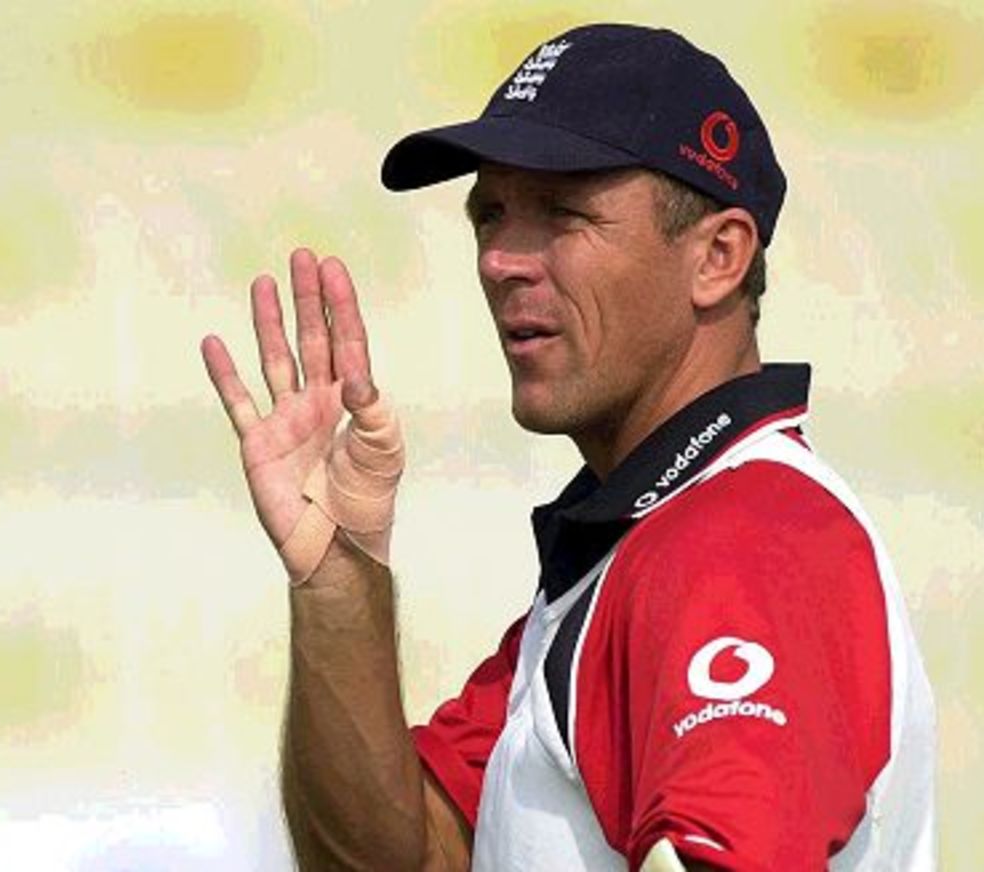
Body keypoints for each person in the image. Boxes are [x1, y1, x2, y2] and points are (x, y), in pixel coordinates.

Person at [201, 23, 936, 872]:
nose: (503, 260)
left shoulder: (741, 538)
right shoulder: (636, 549)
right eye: (491, 215)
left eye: (564, 214)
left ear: (719, 257)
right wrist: (338, 578)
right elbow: (391, 862)